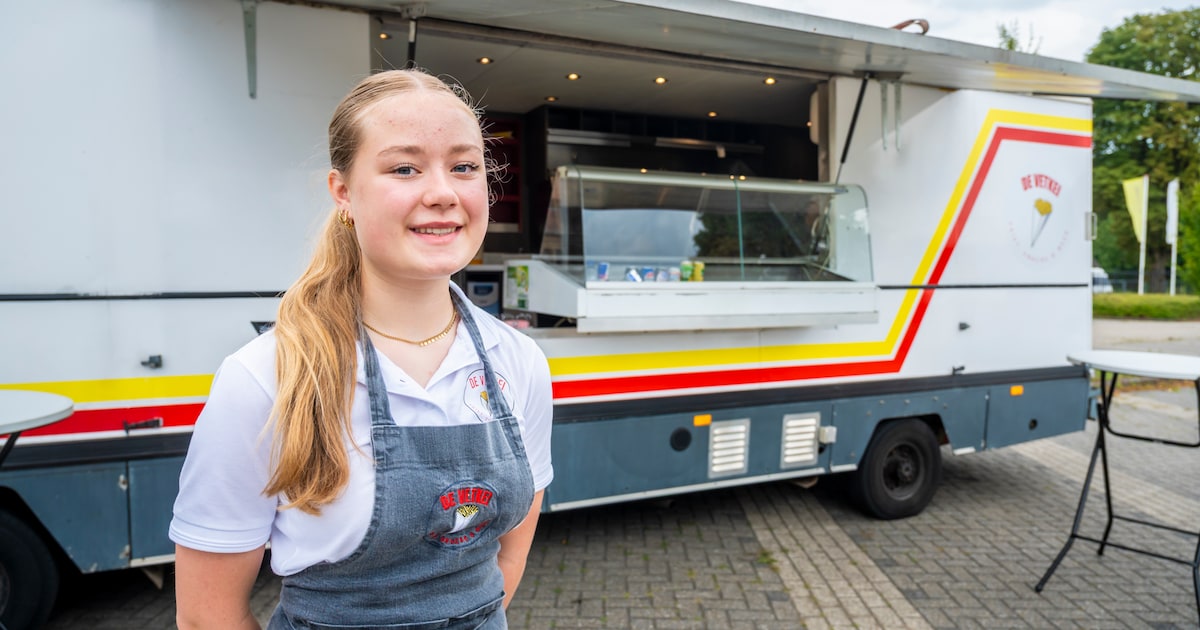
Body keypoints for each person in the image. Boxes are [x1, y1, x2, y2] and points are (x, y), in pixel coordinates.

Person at [170, 69, 554, 630]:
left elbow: (508, 562)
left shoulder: (518, 361)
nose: (443, 193)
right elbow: (207, 615)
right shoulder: (267, 376)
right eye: (404, 168)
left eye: (464, 167)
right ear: (343, 192)